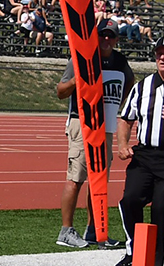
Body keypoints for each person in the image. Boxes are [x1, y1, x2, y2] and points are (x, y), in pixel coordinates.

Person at [56, 18, 135, 249]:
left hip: (106, 127)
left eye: (111, 35)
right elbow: (60, 91)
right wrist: (77, 79)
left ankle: (95, 230)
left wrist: (116, 105)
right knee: (75, 179)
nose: (106, 39)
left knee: (98, 181)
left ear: (117, 39)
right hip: (82, 124)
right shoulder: (81, 57)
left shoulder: (120, 61)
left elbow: (129, 82)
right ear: (95, 36)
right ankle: (66, 231)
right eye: (103, 35)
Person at [113, 37, 164, 266]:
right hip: (145, 155)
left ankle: (155, 261)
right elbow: (125, 118)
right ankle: (134, 250)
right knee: (130, 200)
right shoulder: (143, 87)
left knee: (162, 209)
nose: (163, 57)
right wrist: (122, 144)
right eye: (159, 53)